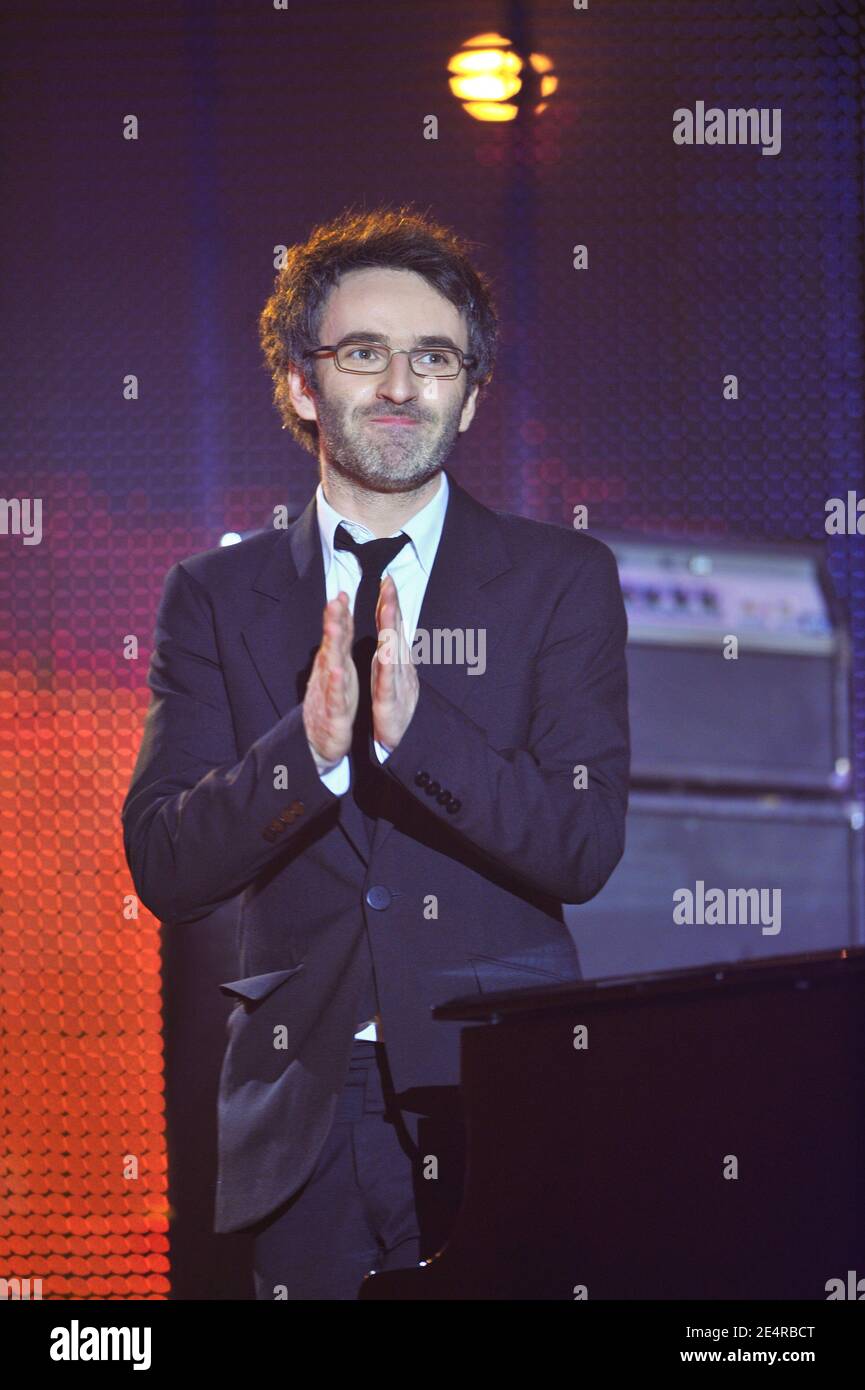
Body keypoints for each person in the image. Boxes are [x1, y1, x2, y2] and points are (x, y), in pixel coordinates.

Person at [121, 204, 630, 1300]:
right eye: (364, 353)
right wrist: (307, 753)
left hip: (501, 1084)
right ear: (302, 384)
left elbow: (582, 844)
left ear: (471, 392)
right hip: (302, 1094)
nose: (401, 385)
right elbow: (166, 864)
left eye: (433, 358)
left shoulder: (560, 579)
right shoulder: (215, 595)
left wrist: (414, 737)